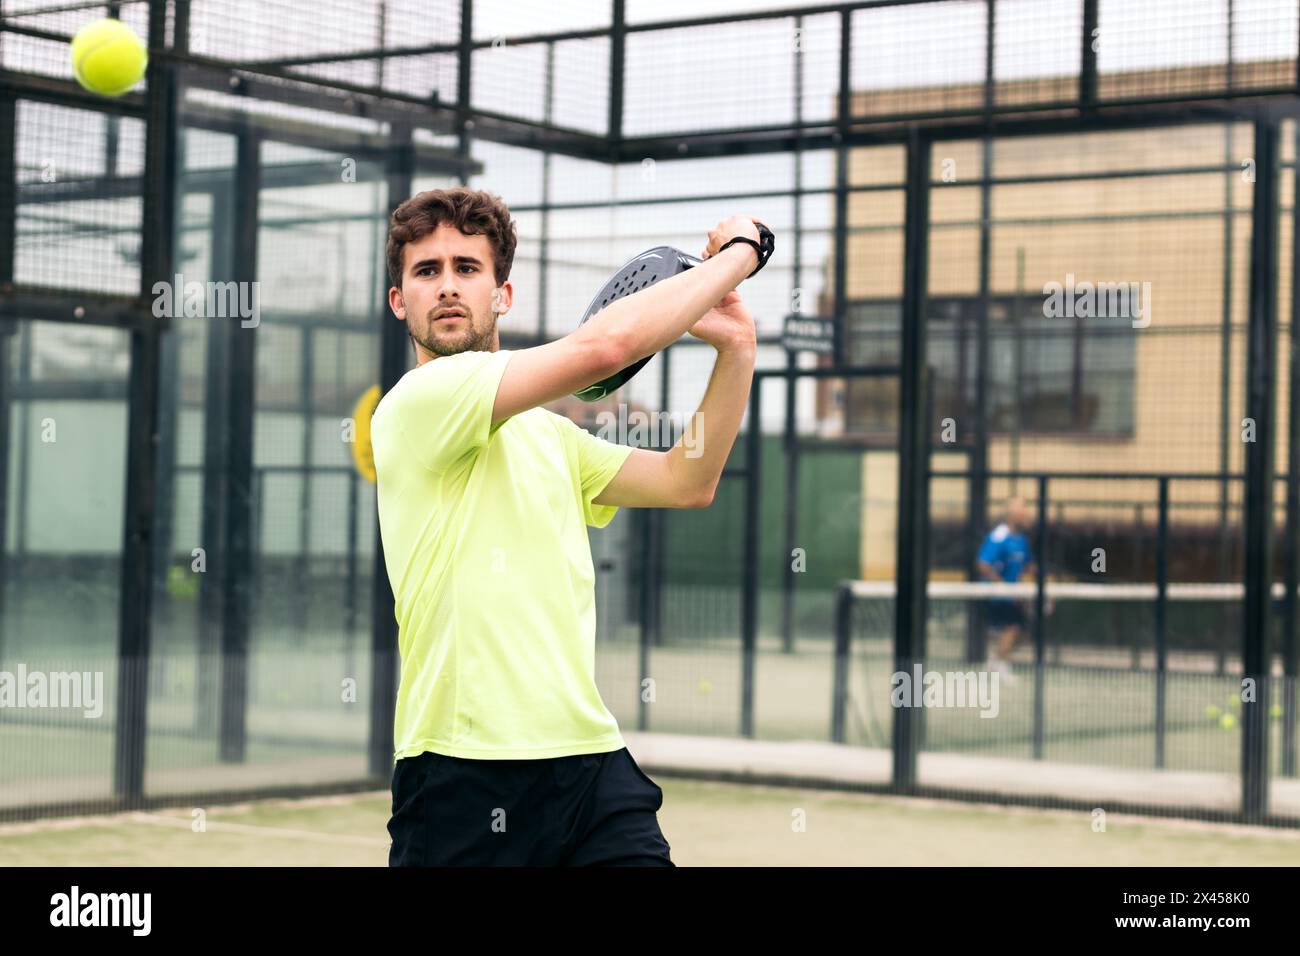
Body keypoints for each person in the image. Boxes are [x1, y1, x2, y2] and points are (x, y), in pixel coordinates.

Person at [372, 186, 765, 866]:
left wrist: (737, 348)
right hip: (462, 772)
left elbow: (687, 480)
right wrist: (737, 255)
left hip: (589, 767)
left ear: (503, 294)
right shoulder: (416, 403)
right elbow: (603, 348)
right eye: (426, 271)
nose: (447, 287)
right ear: (399, 301)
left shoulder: (550, 440)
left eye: (468, 268)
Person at [976, 497, 1036, 680]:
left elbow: (1028, 565)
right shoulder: (999, 536)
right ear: (1011, 514)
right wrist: (1001, 585)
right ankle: (999, 665)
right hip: (996, 594)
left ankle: (995, 662)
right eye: (1021, 509)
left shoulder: (1021, 540)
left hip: (1013, 594)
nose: (1026, 513)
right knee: (1012, 627)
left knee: (1022, 631)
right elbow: (983, 564)